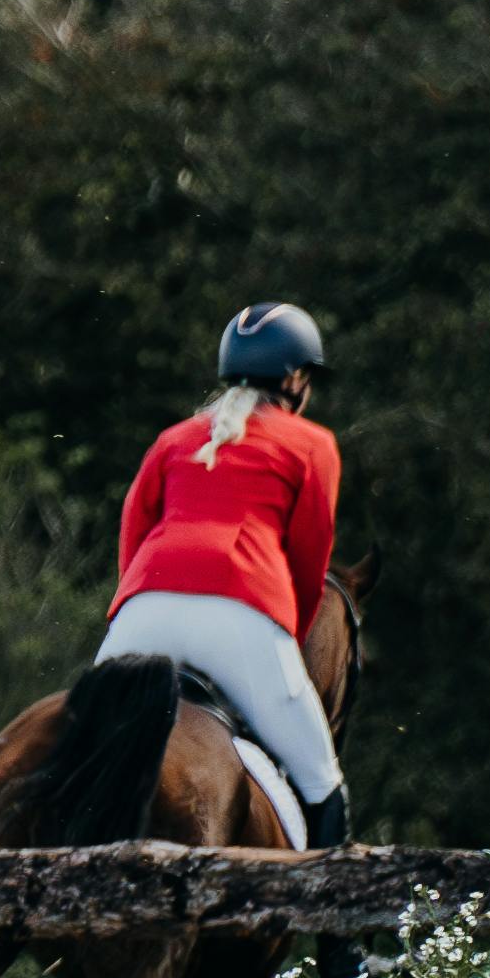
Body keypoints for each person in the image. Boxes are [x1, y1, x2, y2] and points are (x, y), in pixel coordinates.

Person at [105, 301, 351, 846]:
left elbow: (133, 531)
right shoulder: (313, 446)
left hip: (144, 608)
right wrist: (290, 643)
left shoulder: (173, 439)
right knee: (320, 778)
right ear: (294, 378)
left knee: (75, 752)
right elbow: (308, 563)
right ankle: (340, 931)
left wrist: (139, 606)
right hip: (241, 615)